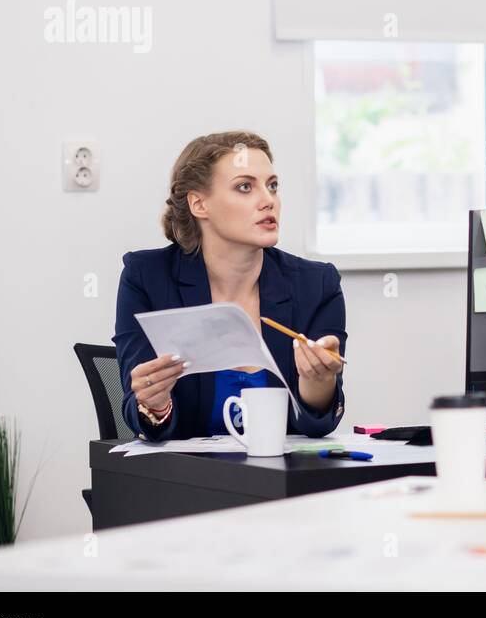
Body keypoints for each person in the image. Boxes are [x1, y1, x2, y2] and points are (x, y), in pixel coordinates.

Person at [114, 130, 346, 441]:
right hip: (186, 470)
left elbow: (317, 425)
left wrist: (317, 380)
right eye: (245, 187)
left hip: (279, 469)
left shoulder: (317, 285)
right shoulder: (146, 277)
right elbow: (139, 411)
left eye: (272, 186)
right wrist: (154, 403)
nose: (268, 201)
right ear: (199, 204)